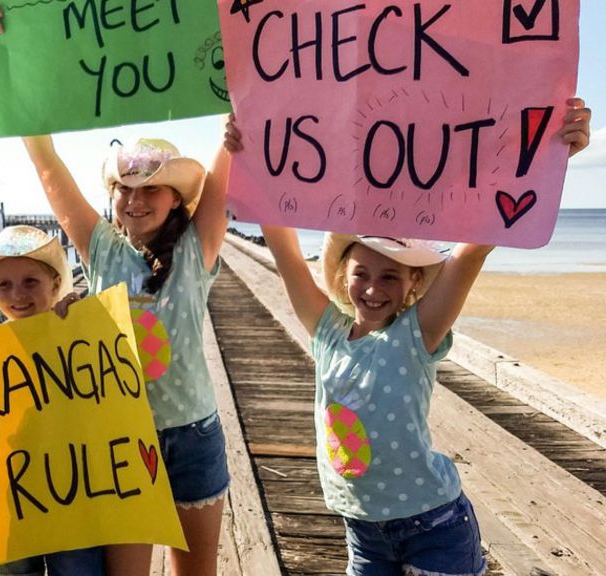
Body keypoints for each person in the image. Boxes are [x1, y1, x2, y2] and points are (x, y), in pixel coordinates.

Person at [223, 98, 591, 575]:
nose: (373, 289)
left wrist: (547, 160)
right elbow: (283, 250)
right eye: (362, 273)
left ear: (413, 284)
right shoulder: (328, 332)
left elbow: (473, 250)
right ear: (341, 273)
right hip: (362, 530)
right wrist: (246, 156)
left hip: (432, 525)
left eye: (391, 277)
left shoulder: (419, 335)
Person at [0, 7, 234, 574]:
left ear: (176, 199)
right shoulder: (102, 249)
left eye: (152, 190)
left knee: (198, 570)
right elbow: (47, 166)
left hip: (193, 437)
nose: (136, 200)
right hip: (119, 438)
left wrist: (239, 97)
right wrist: (8, 62)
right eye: (125, 189)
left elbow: (229, 150)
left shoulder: (198, 248)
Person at [0, 223, 104, 576]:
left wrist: (79, 324)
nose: (18, 294)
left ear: (56, 285)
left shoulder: (73, 333)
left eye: (31, 282)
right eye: (5, 285)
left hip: (75, 496)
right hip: (10, 499)